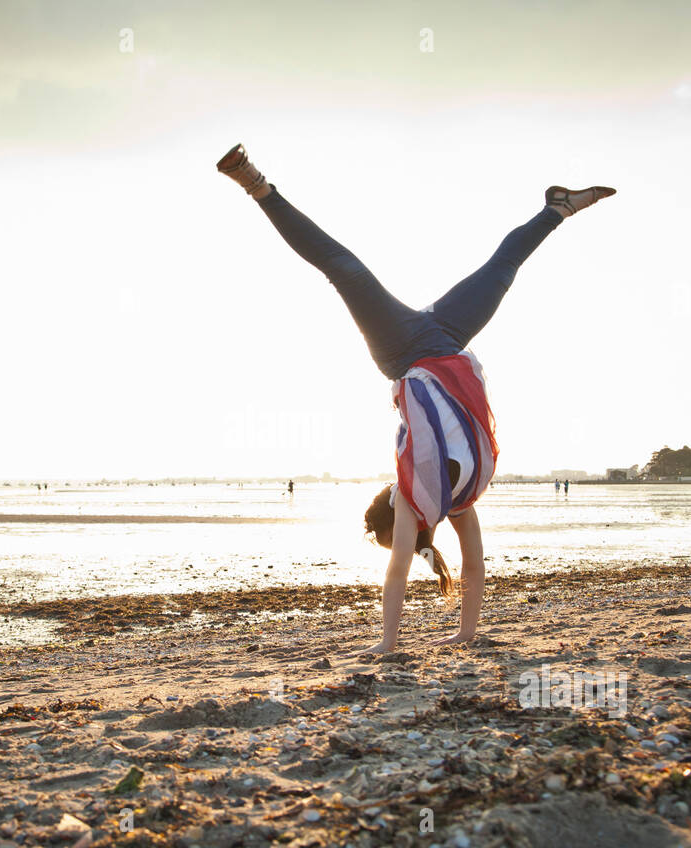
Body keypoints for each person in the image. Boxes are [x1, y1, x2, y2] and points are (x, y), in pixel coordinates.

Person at [217, 143, 615, 652]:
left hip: (405, 350)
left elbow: (440, 565)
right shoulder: (429, 500)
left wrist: (401, 642)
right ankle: (556, 207)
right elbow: (419, 566)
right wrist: (451, 637)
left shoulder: (456, 498)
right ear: (386, 501)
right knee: (492, 269)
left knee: (350, 270)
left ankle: (257, 185)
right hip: (442, 342)